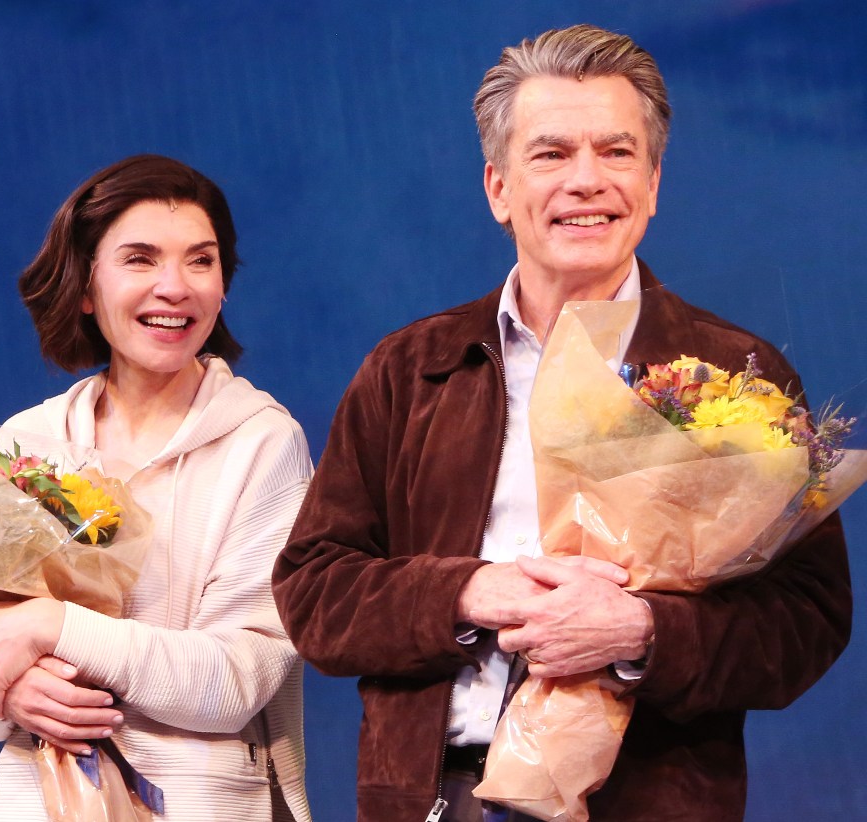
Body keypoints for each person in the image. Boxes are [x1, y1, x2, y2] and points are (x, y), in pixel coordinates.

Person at [272, 24, 851, 822]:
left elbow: (806, 623)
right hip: (433, 797)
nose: (587, 181)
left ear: (652, 183)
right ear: (499, 189)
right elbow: (314, 590)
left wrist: (642, 632)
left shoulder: (736, 374)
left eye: (617, 153)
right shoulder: (410, 370)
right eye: (551, 154)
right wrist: (472, 591)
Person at [0, 154, 313, 821]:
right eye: (140, 260)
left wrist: (51, 625)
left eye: (201, 260)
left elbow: (236, 680)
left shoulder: (264, 443)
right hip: (39, 798)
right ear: (85, 286)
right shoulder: (32, 442)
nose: (176, 286)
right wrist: (11, 693)